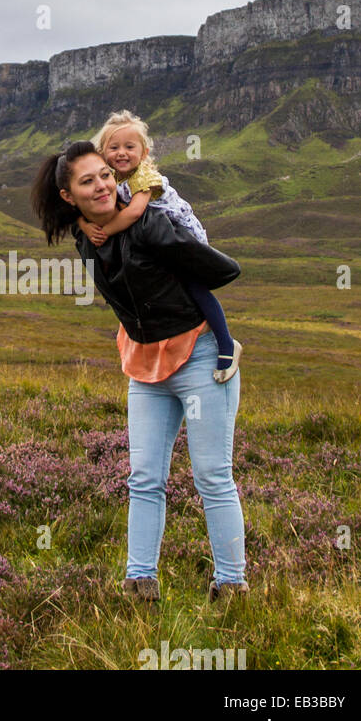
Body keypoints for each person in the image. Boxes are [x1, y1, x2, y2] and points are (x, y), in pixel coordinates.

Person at [30, 139, 249, 602]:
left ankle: (232, 586)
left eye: (106, 175)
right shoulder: (84, 233)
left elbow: (217, 270)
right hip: (144, 366)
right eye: (87, 181)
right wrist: (92, 224)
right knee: (144, 478)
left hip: (200, 358)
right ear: (69, 197)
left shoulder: (149, 222)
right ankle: (139, 581)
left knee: (212, 476)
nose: (102, 185)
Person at [79, 109, 242, 381]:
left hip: (182, 236)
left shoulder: (144, 176)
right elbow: (81, 205)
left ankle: (226, 344)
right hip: (156, 242)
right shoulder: (109, 177)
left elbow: (134, 213)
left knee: (195, 288)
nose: (122, 153)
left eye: (130, 147)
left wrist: (104, 231)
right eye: (114, 147)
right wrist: (85, 226)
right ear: (102, 152)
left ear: (143, 153)